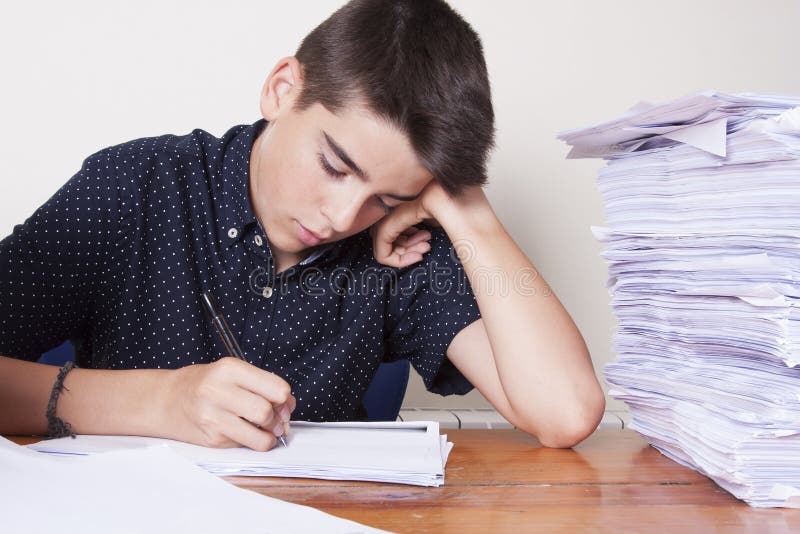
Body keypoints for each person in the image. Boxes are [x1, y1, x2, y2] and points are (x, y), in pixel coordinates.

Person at [0, 0, 604, 450]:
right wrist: (159, 402)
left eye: (388, 197)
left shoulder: (402, 244)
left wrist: (466, 208)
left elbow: (565, 412)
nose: (344, 219)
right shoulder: (138, 184)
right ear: (282, 89)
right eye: (334, 166)